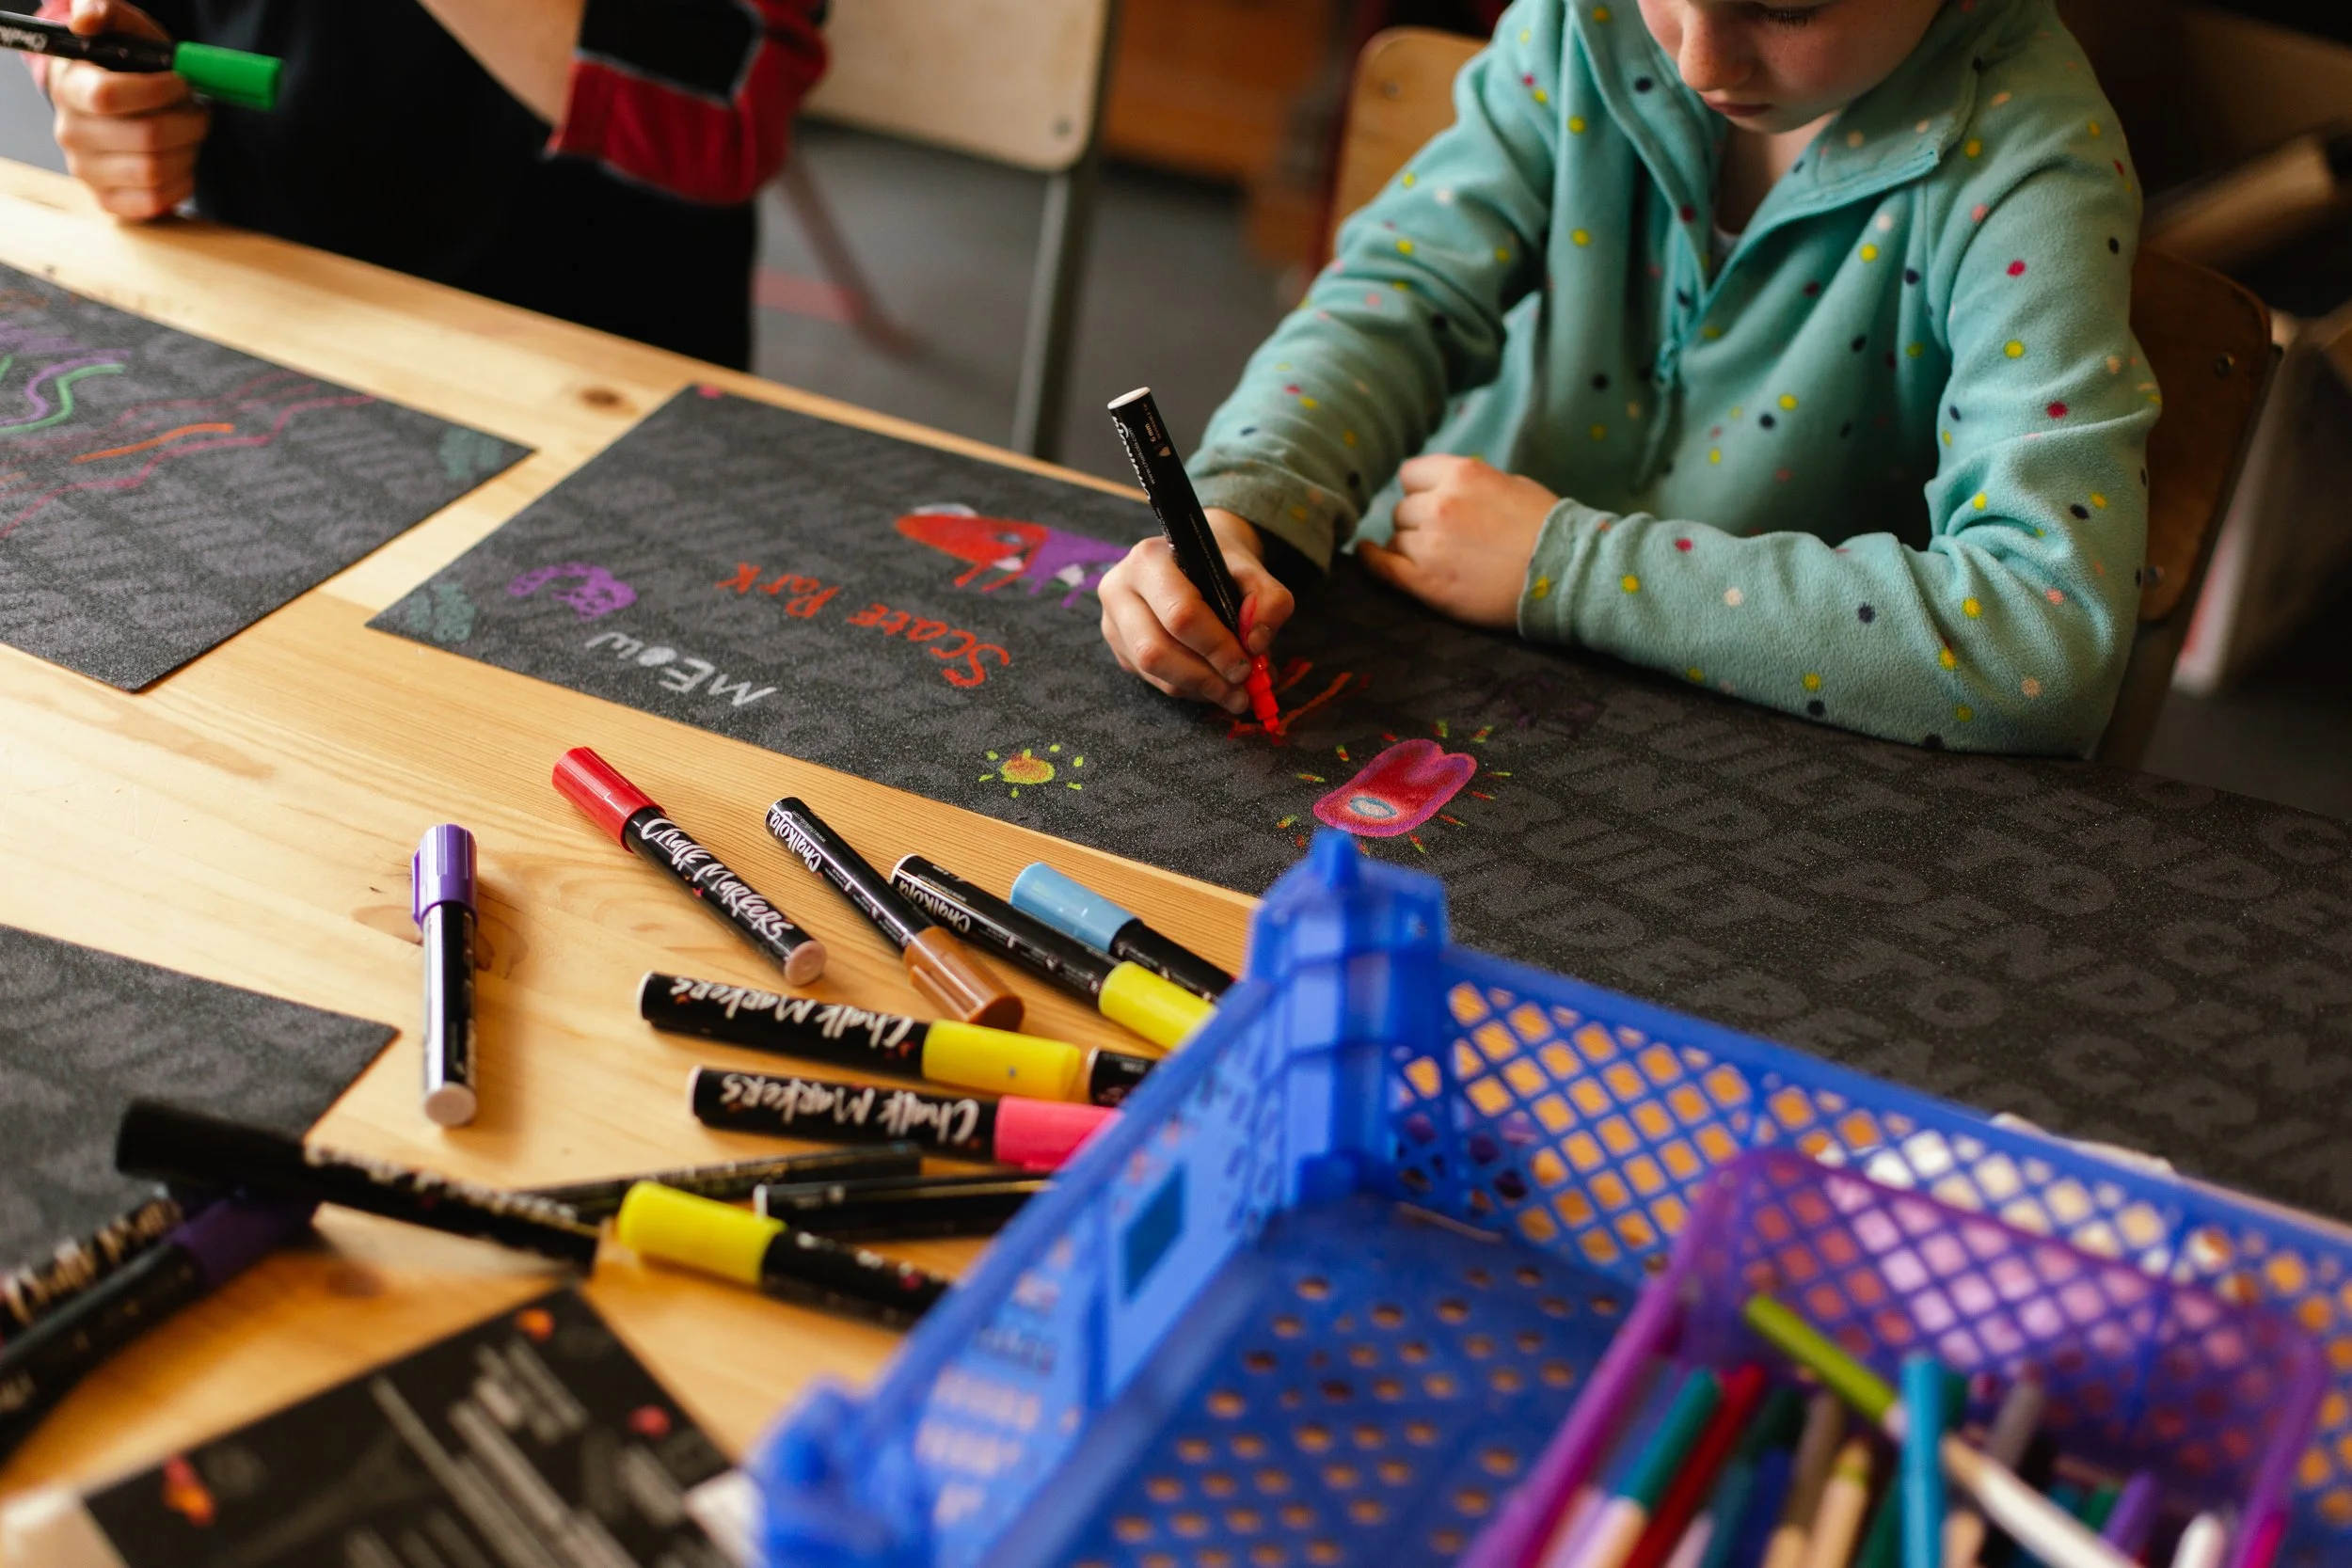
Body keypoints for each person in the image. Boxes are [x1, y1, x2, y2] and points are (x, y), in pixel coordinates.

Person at [1098, 0, 2155, 756]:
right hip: (1445, 644)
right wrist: (1247, 507)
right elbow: (1399, 297)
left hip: (1748, 746)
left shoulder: (2031, 163)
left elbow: (2044, 639)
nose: (1699, 59)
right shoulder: (1583, 24)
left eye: (1783, 9)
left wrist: (1575, 568)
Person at [29, 0, 829, 368]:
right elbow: (79, 21)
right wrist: (94, 84)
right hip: (262, 318)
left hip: (592, 368)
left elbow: (728, 116)